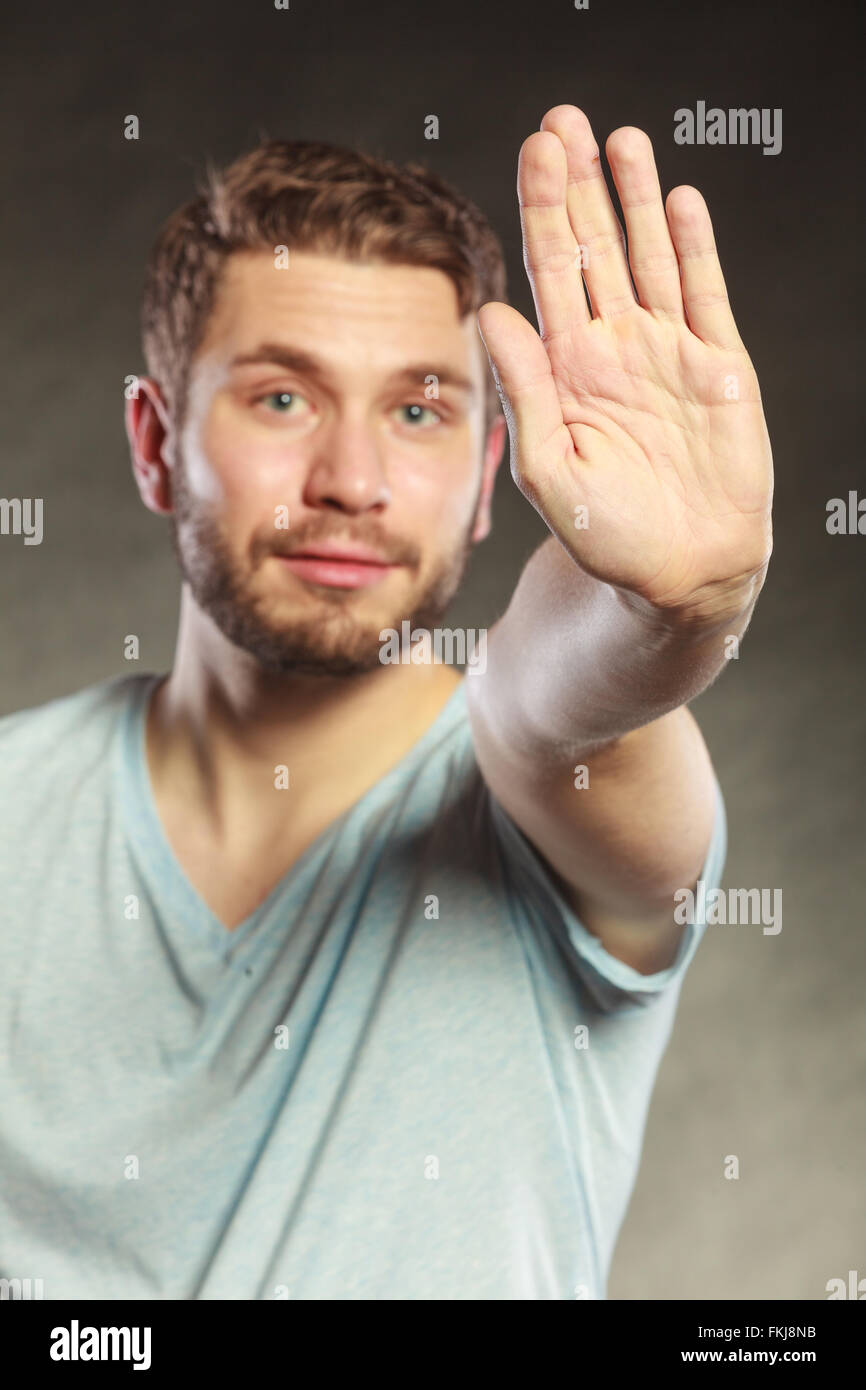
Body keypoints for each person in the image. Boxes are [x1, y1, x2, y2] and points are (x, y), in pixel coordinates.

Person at [0, 104, 773, 1300]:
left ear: (480, 480)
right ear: (154, 444)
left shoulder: (543, 801)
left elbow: (545, 701)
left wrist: (671, 606)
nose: (351, 482)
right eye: (280, 398)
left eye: (417, 411)